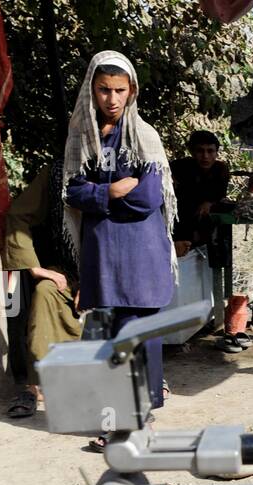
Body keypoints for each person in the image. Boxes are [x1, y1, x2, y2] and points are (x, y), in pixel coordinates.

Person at [62, 51, 176, 452]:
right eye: (104, 89)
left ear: (132, 92)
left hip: (140, 252)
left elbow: (147, 198)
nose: (111, 98)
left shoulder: (144, 137)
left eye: (119, 90)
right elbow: (71, 191)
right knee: (115, 335)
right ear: (92, 90)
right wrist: (109, 190)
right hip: (104, 255)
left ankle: (136, 421)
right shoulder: (82, 138)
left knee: (137, 333)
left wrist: (95, 199)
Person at [2, 159, 81, 419]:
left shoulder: (121, 165)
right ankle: (34, 385)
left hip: (107, 269)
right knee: (44, 292)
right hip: (66, 268)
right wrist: (34, 268)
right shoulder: (57, 172)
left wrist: (96, 281)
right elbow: (18, 215)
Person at [170, 129, 230, 255]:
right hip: (179, 227)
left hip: (207, 230)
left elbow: (219, 196)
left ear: (216, 153)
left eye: (210, 151)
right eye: (200, 151)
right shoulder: (178, 167)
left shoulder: (220, 169)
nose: (205, 156)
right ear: (192, 152)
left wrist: (210, 203)